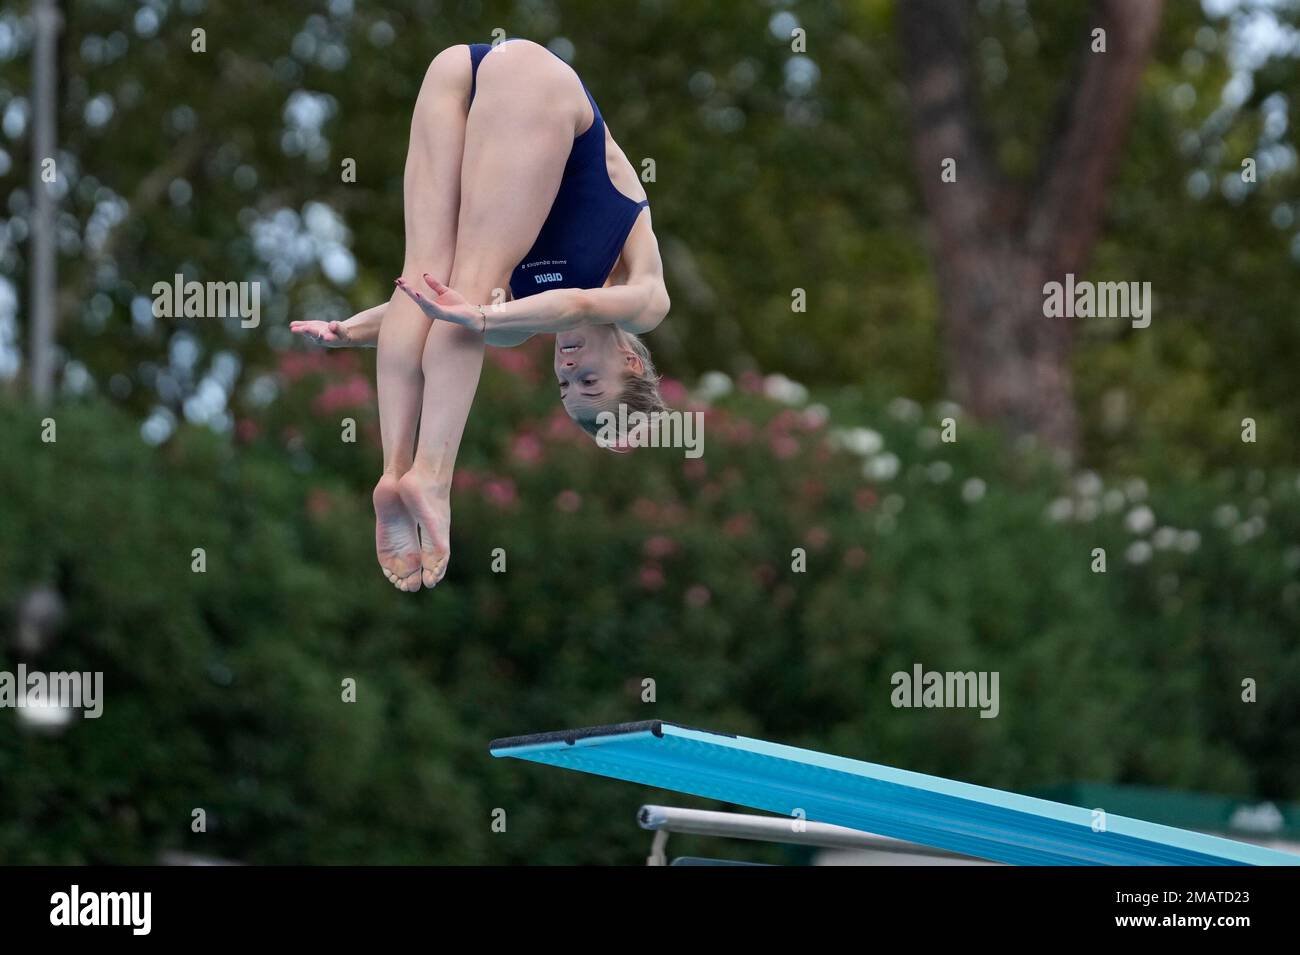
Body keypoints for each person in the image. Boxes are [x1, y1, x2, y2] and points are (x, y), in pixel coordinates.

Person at [291, 39, 671, 592]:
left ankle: (395, 471)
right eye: (589, 379)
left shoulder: (521, 315)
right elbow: (580, 303)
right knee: (477, 298)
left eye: (565, 383)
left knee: (423, 276)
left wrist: (353, 331)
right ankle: (434, 478)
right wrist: (486, 321)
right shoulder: (644, 303)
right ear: (631, 365)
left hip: (456, 69)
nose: (567, 367)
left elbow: (430, 302)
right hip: (533, 81)